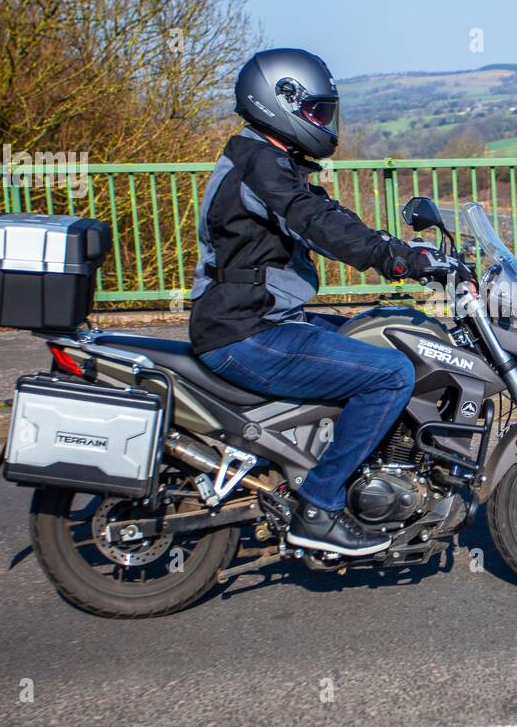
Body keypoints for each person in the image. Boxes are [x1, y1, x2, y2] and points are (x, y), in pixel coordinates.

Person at [189, 48, 456, 557]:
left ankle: (365, 467)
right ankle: (319, 504)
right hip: (247, 332)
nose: (322, 121)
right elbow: (315, 223)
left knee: (383, 327)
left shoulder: (268, 161)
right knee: (391, 373)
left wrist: (409, 250)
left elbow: (327, 213)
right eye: (314, 110)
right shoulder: (260, 167)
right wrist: (395, 259)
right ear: (277, 103)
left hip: (260, 318)